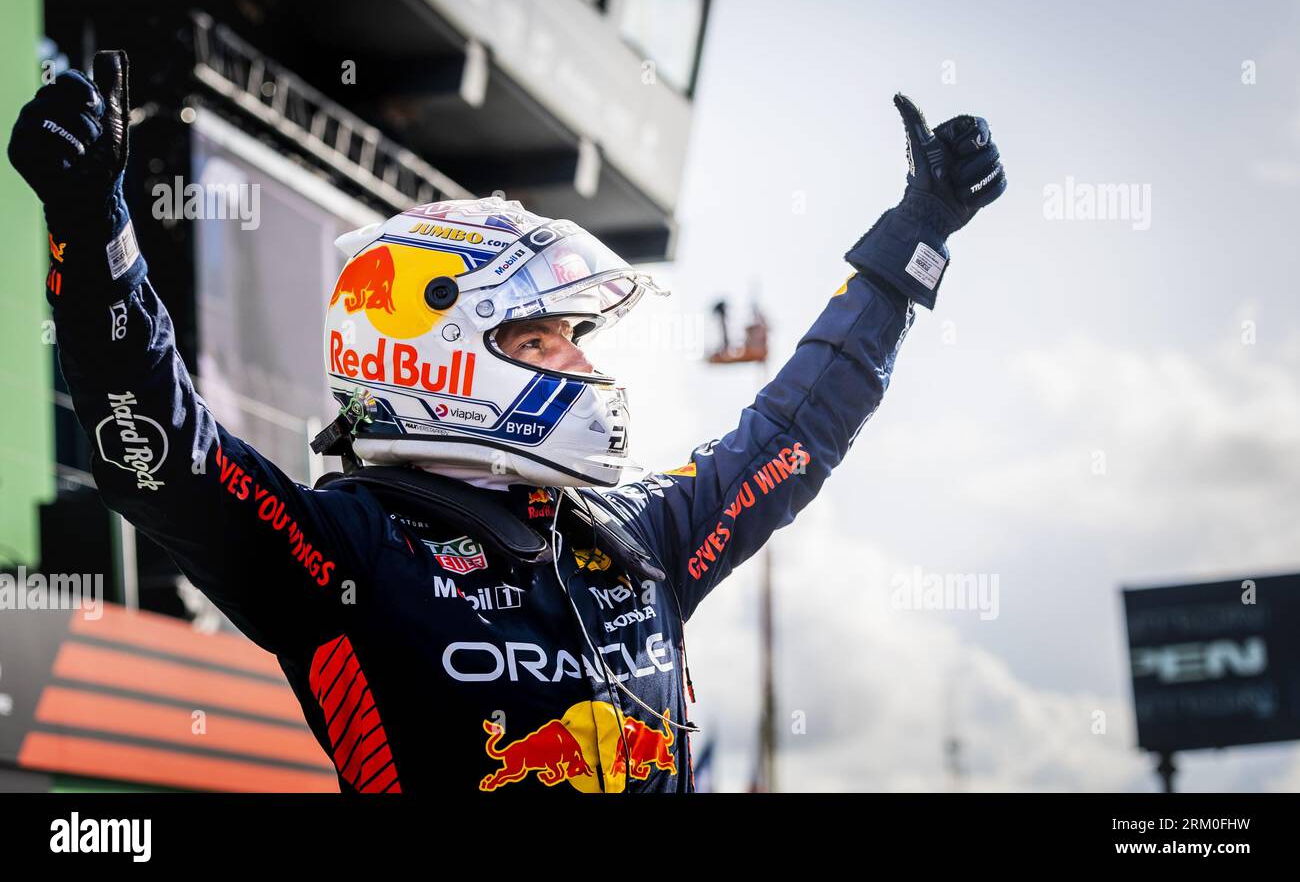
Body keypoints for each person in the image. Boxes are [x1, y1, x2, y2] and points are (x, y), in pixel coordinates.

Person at [8, 51, 1006, 793]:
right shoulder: (347, 547)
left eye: (574, 337)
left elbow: (794, 432)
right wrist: (94, 231)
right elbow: (162, 461)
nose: (580, 362)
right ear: (441, 351)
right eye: (542, 339)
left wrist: (914, 238)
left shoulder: (640, 537)